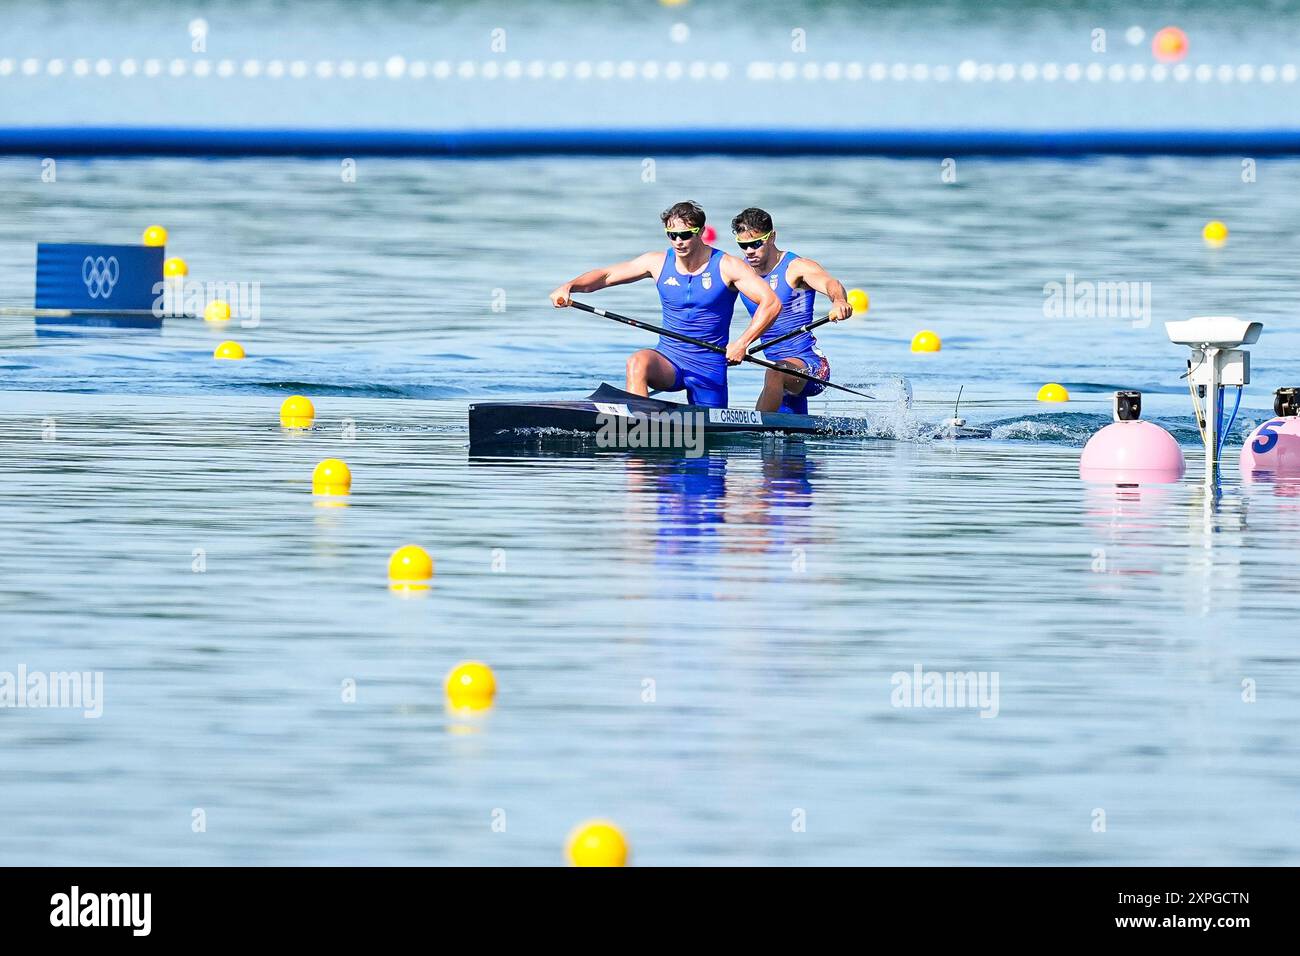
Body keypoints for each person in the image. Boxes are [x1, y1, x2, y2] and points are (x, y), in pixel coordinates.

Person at [549, 201, 780, 409]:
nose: (678, 241)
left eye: (685, 234)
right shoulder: (657, 262)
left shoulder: (727, 266)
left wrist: (742, 343)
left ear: (700, 232)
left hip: (709, 368)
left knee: (709, 451)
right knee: (638, 361)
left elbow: (770, 302)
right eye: (672, 235)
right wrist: (570, 286)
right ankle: (639, 427)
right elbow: (607, 275)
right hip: (670, 360)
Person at [731, 207, 853, 413]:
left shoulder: (795, 267)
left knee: (775, 372)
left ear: (772, 237)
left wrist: (839, 301)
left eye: (756, 243)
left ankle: (753, 432)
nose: (749, 251)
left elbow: (830, 283)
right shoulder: (739, 272)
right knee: (791, 439)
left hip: (811, 367)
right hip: (780, 371)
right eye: (743, 246)